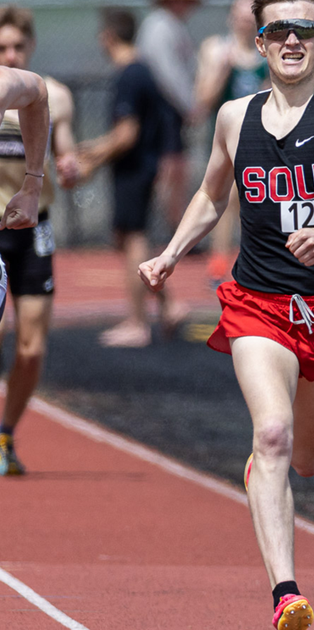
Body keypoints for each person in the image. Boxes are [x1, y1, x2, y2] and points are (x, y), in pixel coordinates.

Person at [138, 0, 314, 623]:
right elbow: (211, 194)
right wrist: (171, 253)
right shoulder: (235, 117)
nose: (291, 41)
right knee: (273, 432)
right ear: (259, 42)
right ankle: (287, 594)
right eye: (278, 30)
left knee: (302, 461)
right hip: (258, 303)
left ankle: (264, 472)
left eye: (304, 31)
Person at [77, 9, 186, 348]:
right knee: (127, 238)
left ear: (109, 36)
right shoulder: (142, 71)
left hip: (135, 169)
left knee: (135, 241)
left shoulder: (129, 74)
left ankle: (138, 322)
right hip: (141, 167)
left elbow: (126, 135)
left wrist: (90, 156)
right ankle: (169, 307)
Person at [0, 5, 78, 476]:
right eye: (2, 47)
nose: (10, 53)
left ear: (29, 48)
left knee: (30, 348)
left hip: (32, 228)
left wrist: (58, 171)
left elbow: (66, 155)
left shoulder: (53, 95)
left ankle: (5, 434)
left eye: (17, 47)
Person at [194, 0, 269, 287]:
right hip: (224, 140)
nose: (244, 22)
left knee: (249, 199)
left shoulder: (266, 53)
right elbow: (202, 100)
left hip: (258, 138)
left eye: (249, 17)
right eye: (239, 16)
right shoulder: (217, 49)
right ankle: (219, 261)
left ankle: (249, 259)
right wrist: (222, 70)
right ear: (230, 18)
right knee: (221, 198)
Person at [136, 0, 200, 230]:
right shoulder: (159, 24)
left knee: (177, 168)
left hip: (171, 108)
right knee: (171, 168)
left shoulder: (172, 24)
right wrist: (189, 104)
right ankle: (171, 225)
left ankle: (176, 223)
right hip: (163, 108)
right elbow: (167, 73)